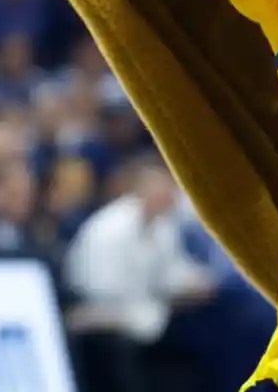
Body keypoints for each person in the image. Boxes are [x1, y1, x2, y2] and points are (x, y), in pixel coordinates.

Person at [64, 155, 216, 392]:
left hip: (146, 312)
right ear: (143, 191)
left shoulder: (162, 225)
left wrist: (197, 283)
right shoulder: (111, 230)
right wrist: (154, 307)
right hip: (103, 316)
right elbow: (103, 292)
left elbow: (172, 272)